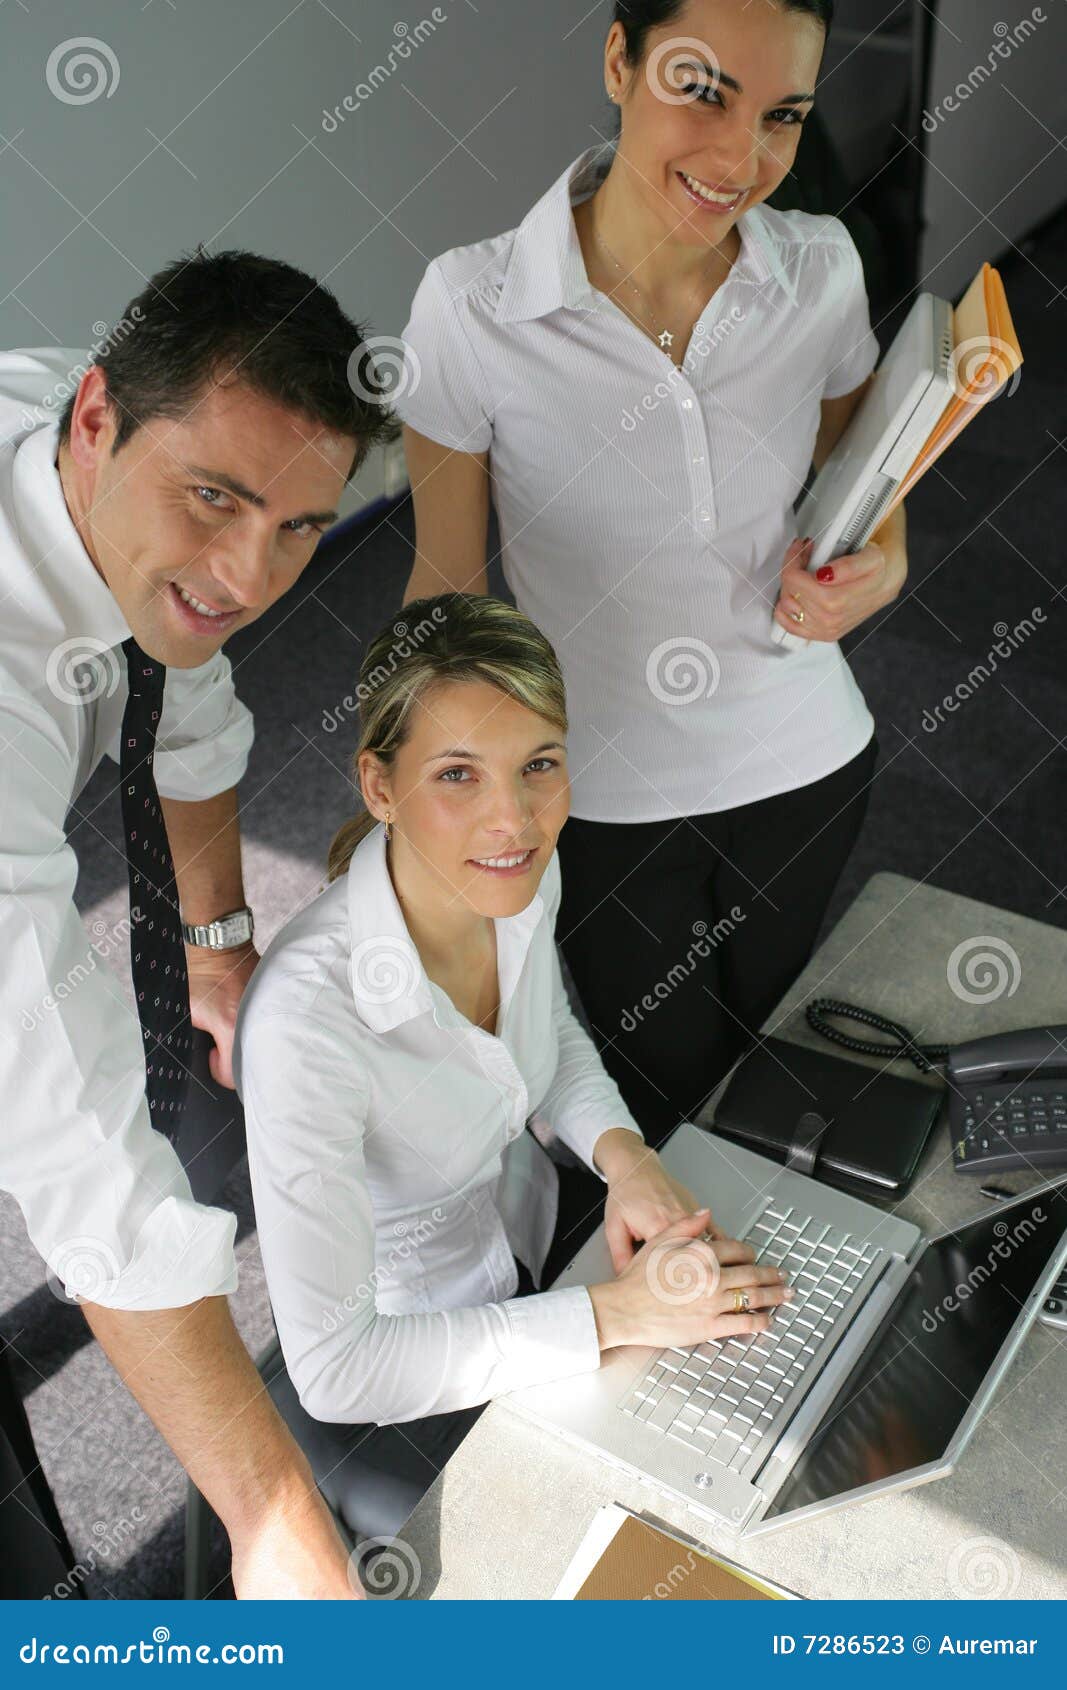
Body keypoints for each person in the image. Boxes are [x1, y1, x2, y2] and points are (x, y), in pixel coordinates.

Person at [393, 0, 902, 1146]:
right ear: (618, 61)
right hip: (606, 795)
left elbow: (876, 498)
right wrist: (422, 811)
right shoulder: (471, 305)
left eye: (780, 116)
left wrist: (876, 571)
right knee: (667, 1101)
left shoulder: (817, 266)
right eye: (702, 90)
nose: (741, 158)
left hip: (806, 761)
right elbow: (445, 594)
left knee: (783, 1082)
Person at [0, 247, 397, 1598]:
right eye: (217, 500)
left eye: (297, 525)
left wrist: (216, 941)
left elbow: (187, 714)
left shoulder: (75, 424)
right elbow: (76, 1145)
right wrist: (272, 1508)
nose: (247, 569)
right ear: (102, 422)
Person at [233, 592, 791, 1518]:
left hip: (533, 1245)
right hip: (411, 1357)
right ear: (379, 785)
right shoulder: (305, 1021)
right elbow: (336, 1371)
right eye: (457, 775)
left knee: (742, 1434)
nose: (514, 819)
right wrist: (622, 1316)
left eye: (539, 765)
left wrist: (627, 1160)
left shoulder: (520, 875)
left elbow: (547, 1040)